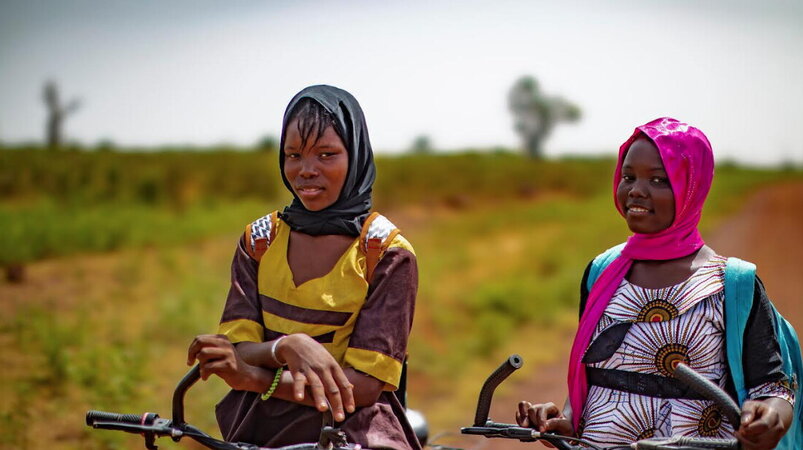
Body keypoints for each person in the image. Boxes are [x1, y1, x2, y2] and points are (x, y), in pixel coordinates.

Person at [515, 118, 794, 450]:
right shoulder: (602, 272)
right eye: (628, 176)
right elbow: (594, 380)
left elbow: (773, 388)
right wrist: (564, 423)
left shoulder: (731, 285)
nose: (636, 189)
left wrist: (771, 416)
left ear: (692, 187)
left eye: (659, 179)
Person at [187, 85, 420, 450]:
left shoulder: (385, 253)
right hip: (254, 432)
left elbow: (361, 388)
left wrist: (255, 377)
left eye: (326, 155)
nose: (306, 170)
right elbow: (239, 346)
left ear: (355, 156)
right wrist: (287, 347)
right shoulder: (260, 241)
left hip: (350, 436)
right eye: (293, 155)